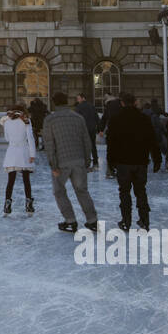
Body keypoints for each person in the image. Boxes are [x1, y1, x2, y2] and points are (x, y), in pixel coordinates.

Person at [44, 91, 99, 233]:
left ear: (54, 102)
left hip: (61, 162)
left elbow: (50, 144)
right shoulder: (78, 118)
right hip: (79, 160)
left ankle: (70, 221)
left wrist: (53, 165)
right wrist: (87, 160)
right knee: (82, 191)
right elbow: (86, 141)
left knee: (59, 191)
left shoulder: (50, 120)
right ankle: (92, 220)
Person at [105, 93, 161, 232]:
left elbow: (111, 142)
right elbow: (152, 140)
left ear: (122, 103)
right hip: (140, 160)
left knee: (124, 192)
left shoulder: (116, 120)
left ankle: (126, 220)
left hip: (123, 162)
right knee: (141, 191)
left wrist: (110, 161)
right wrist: (157, 158)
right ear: (135, 102)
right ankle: (144, 220)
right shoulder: (144, 119)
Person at [0, 106, 36, 215]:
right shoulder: (25, 120)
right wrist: (32, 154)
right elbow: (30, 137)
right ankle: (29, 204)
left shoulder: (6, 121)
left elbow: (6, 138)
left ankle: (7, 203)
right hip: (23, 151)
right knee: (26, 179)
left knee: (11, 180)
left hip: (11, 151)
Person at [98, 93, 123, 178]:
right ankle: (119, 169)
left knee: (110, 151)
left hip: (111, 131)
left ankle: (110, 171)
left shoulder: (109, 106)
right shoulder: (120, 104)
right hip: (120, 131)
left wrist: (101, 130)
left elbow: (104, 118)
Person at [74, 93, 100, 169]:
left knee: (83, 146)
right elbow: (96, 117)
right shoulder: (92, 106)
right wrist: (99, 128)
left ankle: (85, 163)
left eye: (78, 98)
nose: (77, 100)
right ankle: (95, 163)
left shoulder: (79, 107)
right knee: (93, 146)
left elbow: (76, 119)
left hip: (83, 129)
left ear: (83, 98)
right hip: (92, 129)